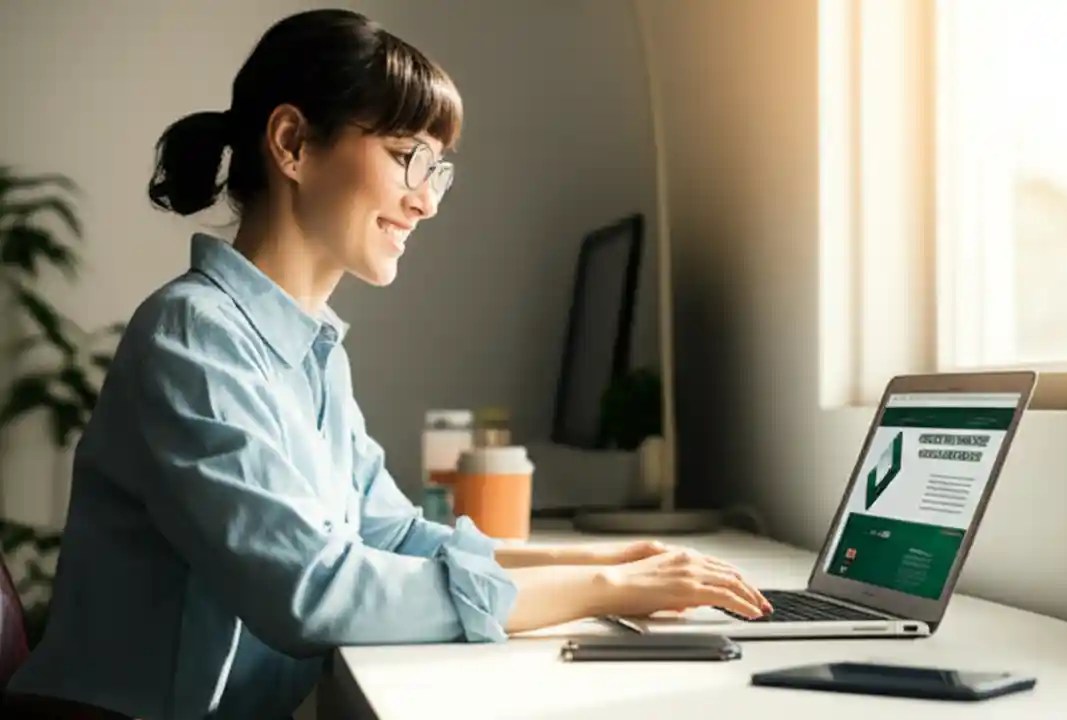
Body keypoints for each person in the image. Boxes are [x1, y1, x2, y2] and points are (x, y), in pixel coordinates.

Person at [4, 9, 769, 720]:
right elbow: (315, 590)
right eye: (408, 159)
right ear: (293, 144)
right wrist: (602, 588)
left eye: (438, 171)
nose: (427, 202)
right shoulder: (193, 337)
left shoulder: (311, 354)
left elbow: (395, 538)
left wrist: (604, 559)